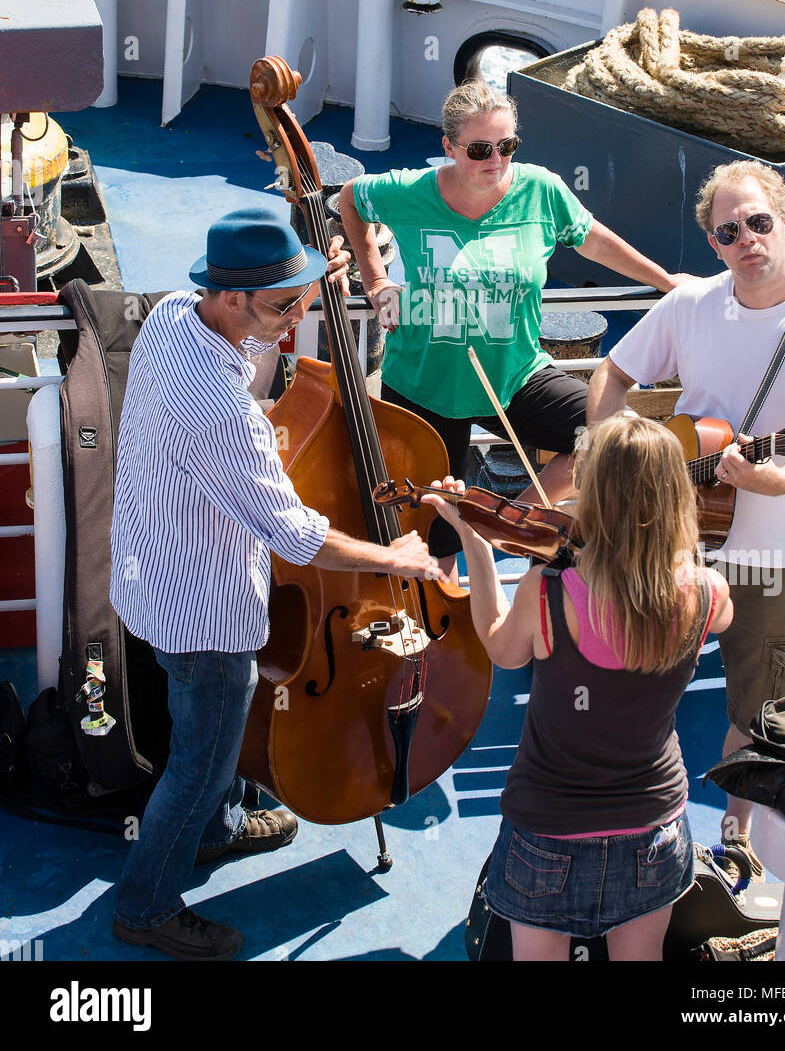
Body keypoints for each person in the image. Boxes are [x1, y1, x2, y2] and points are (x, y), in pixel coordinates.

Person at [109, 207, 444, 962]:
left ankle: (220, 828)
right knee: (199, 759)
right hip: (204, 612)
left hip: (152, 577)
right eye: (285, 305)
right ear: (230, 300)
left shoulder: (171, 316)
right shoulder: (222, 411)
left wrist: (306, 270)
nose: (301, 317)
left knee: (201, 736)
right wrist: (399, 561)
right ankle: (146, 904)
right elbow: (294, 534)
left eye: (304, 297)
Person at [586, 159, 785, 875]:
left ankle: (735, 839)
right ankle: (628, 822)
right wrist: (605, 451)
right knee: (639, 676)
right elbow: (614, 372)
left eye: (760, 223)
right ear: (714, 245)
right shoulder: (692, 305)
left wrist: (778, 480)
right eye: (728, 232)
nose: (747, 240)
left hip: (777, 548)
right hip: (674, 536)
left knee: (759, 700)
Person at [338, 79, 690, 569]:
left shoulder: (540, 190)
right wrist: (376, 280)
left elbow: (591, 239)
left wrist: (666, 280)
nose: (496, 160)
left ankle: (512, 516)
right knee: (435, 543)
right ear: (448, 147)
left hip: (515, 374)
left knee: (612, 438)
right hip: (423, 385)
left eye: (507, 146)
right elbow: (350, 200)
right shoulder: (409, 192)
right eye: (480, 149)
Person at [424, 416, 731, 960]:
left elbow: (500, 647)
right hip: (653, 828)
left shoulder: (549, 594)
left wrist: (477, 542)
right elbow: (688, 595)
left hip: (549, 832)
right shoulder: (709, 593)